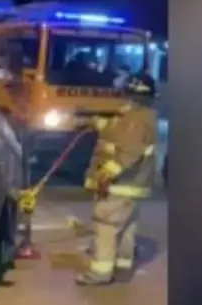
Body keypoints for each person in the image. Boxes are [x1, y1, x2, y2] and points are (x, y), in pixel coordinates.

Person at [76, 74, 158, 286]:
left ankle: (100, 272)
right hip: (131, 186)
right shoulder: (139, 116)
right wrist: (97, 123)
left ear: (131, 95)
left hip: (120, 184)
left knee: (106, 225)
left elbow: (129, 150)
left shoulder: (135, 120)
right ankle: (122, 265)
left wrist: (107, 173)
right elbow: (118, 132)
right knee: (126, 227)